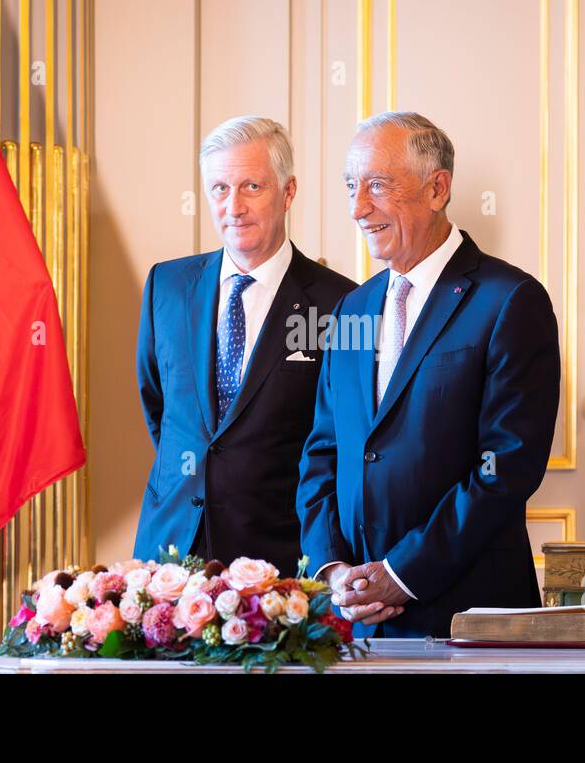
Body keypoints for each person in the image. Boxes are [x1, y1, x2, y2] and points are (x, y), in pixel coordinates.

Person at [296, 112, 562, 638]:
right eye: (351, 187)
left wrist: (401, 574)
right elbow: (323, 452)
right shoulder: (352, 308)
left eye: (376, 185)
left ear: (437, 188)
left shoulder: (510, 300)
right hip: (357, 621)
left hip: (469, 620)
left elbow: (505, 467)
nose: (358, 208)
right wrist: (334, 571)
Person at [134, 116, 355, 574]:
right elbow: (158, 405)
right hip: (170, 549)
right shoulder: (166, 285)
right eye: (219, 189)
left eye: (252, 186)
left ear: (288, 191)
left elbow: (343, 442)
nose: (233, 206)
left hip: (278, 555)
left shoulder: (341, 304)